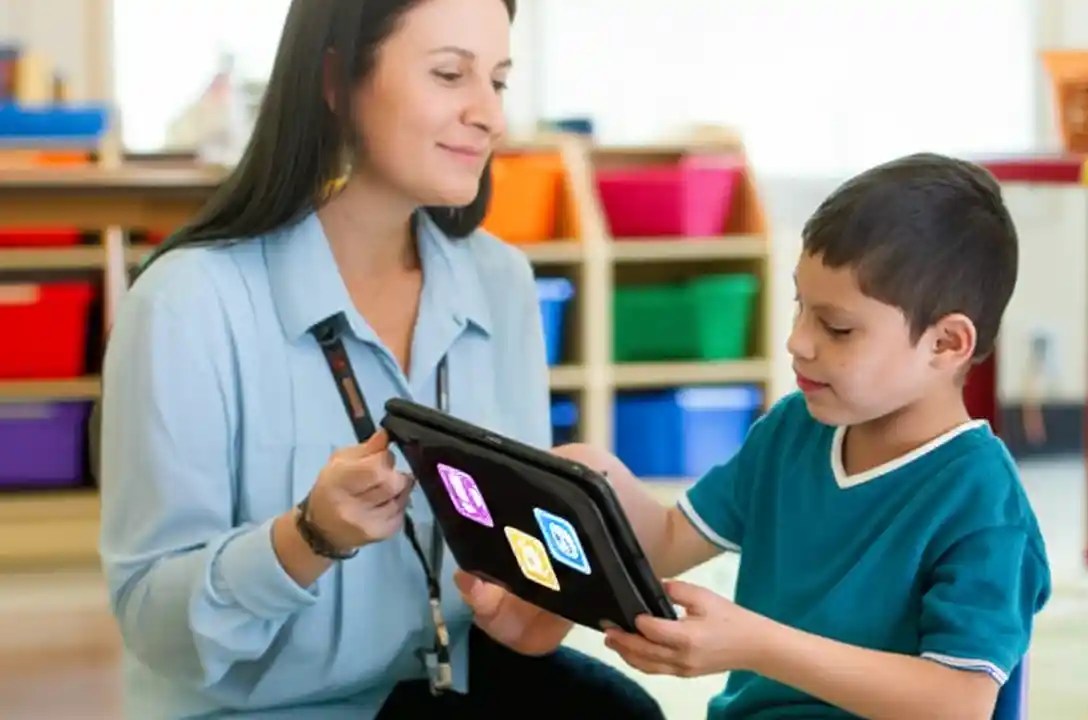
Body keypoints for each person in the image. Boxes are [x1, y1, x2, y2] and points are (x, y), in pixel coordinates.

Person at [96, 1, 663, 718]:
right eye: (450, 74)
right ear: (335, 79)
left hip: (440, 686)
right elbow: (155, 625)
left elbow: (514, 563)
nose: (489, 114)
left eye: (499, 81)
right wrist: (304, 538)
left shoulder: (502, 283)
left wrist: (550, 591)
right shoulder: (187, 303)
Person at [556, 153, 1053, 719]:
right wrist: (590, 480)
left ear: (945, 344)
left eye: (836, 327)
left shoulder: (982, 501)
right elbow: (666, 542)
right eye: (800, 307)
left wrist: (756, 643)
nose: (797, 342)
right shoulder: (793, 431)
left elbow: (957, 703)